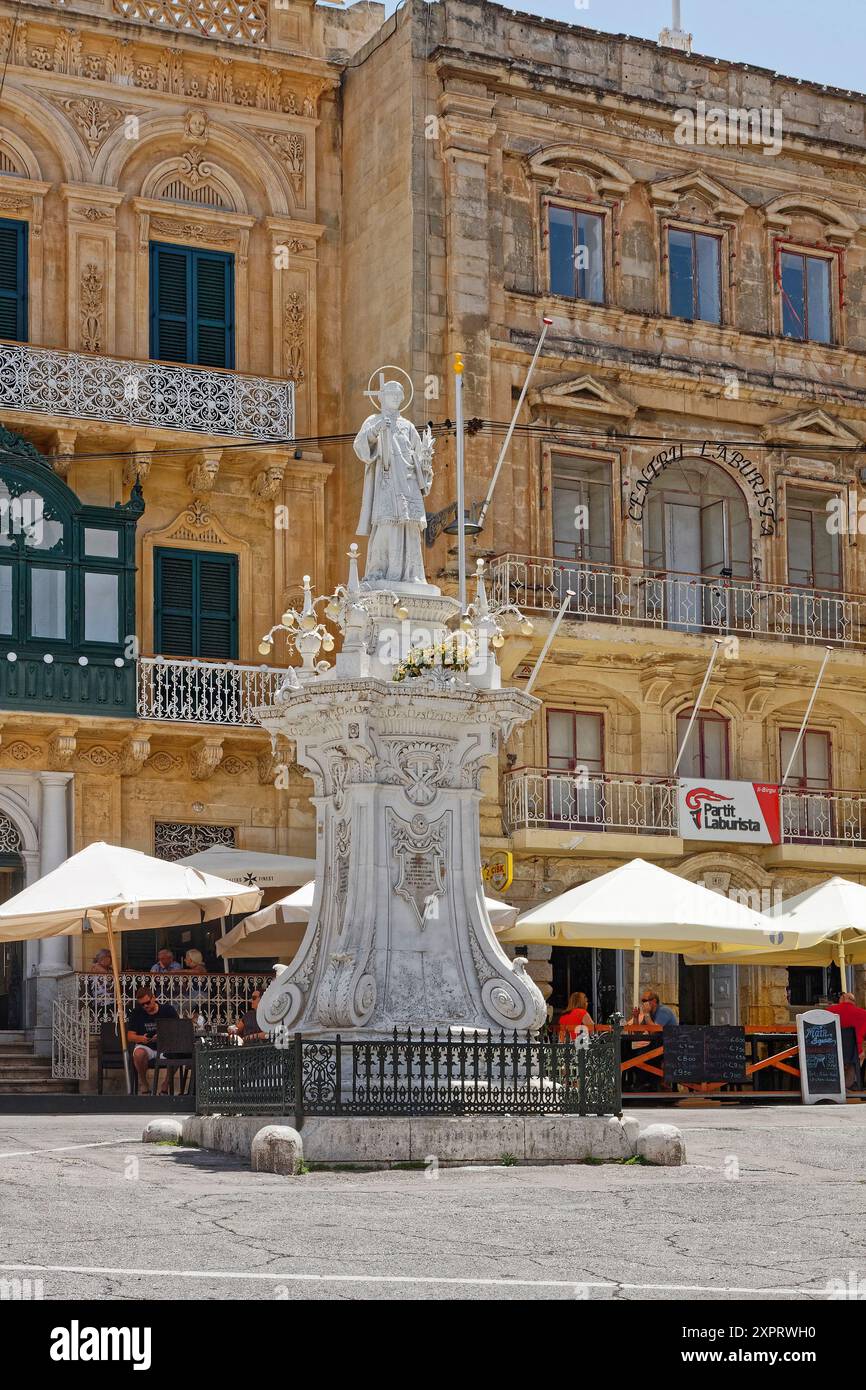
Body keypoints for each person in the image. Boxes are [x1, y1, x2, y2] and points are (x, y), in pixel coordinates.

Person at [126, 986, 179, 1093]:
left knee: (180, 1052)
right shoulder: (137, 1012)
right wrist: (142, 1038)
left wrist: (162, 1036)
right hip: (146, 1046)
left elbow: (178, 1030)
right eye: (142, 1004)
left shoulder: (168, 1010)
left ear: (154, 998)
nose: (145, 1006)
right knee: (138, 1054)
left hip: (165, 1046)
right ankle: (144, 1083)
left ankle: (165, 1085)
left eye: (147, 1002)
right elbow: (130, 1036)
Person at [828, 991, 866, 1088]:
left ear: (842, 999)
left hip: (832, 1050)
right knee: (859, 1055)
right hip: (854, 1053)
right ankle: (849, 1084)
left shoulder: (830, 1011)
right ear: (853, 1002)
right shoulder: (863, 1014)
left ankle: (836, 1084)